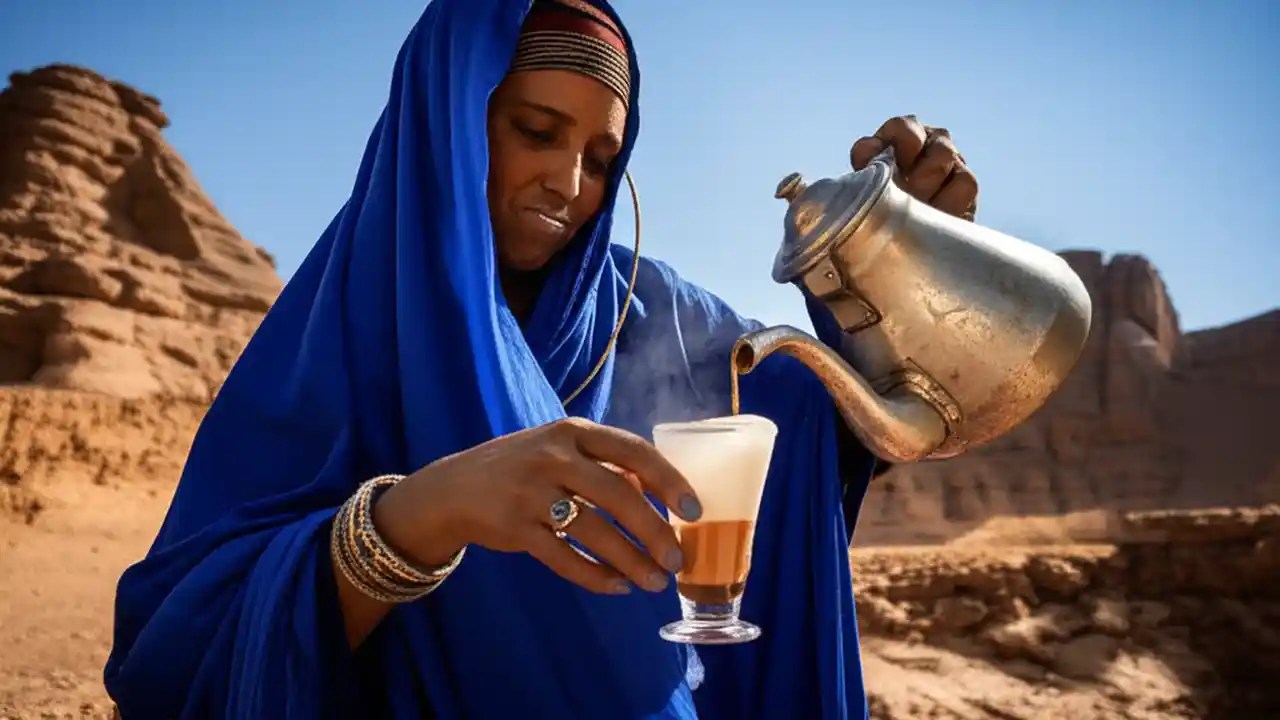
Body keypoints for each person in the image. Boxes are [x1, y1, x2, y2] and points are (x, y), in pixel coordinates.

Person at [104, 1, 979, 718]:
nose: (568, 183)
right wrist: (419, 518)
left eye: (601, 158)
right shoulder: (341, 332)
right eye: (534, 130)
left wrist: (896, 274)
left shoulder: (654, 315)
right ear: (448, 122)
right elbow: (178, 656)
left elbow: (809, 424)